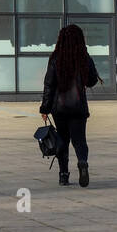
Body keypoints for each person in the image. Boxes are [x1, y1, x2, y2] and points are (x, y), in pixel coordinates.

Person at [39, 25, 100, 187]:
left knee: (62, 141)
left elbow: (49, 85)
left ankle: (63, 174)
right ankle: (82, 162)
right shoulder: (84, 57)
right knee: (80, 140)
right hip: (78, 107)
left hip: (59, 108)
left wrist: (44, 108)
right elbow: (92, 80)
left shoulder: (55, 58)